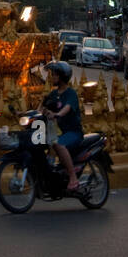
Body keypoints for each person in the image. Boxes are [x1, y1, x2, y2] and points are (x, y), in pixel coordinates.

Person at [42, 60, 84, 192]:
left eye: (54, 74)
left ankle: (73, 177)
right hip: (61, 132)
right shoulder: (54, 94)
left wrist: (57, 114)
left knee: (58, 144)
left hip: (74, 133)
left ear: (61, 77)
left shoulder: (71, 93)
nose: (51, 77)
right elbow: (42, 107)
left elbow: (67, 108)